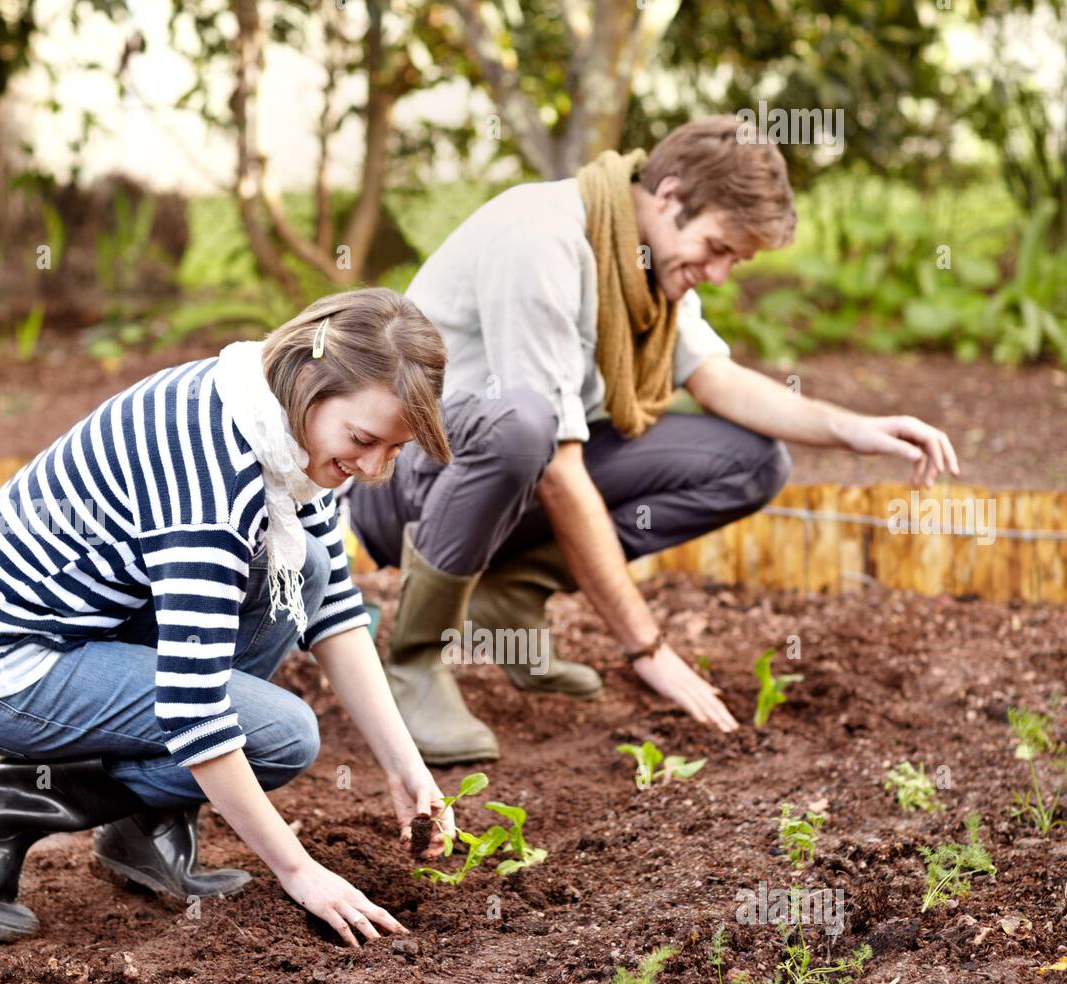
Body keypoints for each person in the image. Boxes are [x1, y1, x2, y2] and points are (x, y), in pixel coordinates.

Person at [349, 115, 960, 764]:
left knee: (750, 462)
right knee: (525, 426)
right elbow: (555, 464)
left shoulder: (640, 258)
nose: (720, 274)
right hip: (408, 480)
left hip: (506, 476)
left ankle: (508, 595)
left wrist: (856, 431)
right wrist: (648, 649)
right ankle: (413, 662)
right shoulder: (540, 243)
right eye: (719, 248)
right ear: (669, 197)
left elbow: (716, 378)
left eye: (736, 260)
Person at [0, 288, 455, 949]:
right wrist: (300, 871)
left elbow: (333, 604)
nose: (373, 469)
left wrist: (407, 767)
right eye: (363, 440)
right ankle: (3, 804)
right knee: (284, 735)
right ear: (312, 380)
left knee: (307, 567)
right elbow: (193, 709)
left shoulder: (271, 419)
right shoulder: (212, 475)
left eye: (394, 451)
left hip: (87, 625)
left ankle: (142, 830)